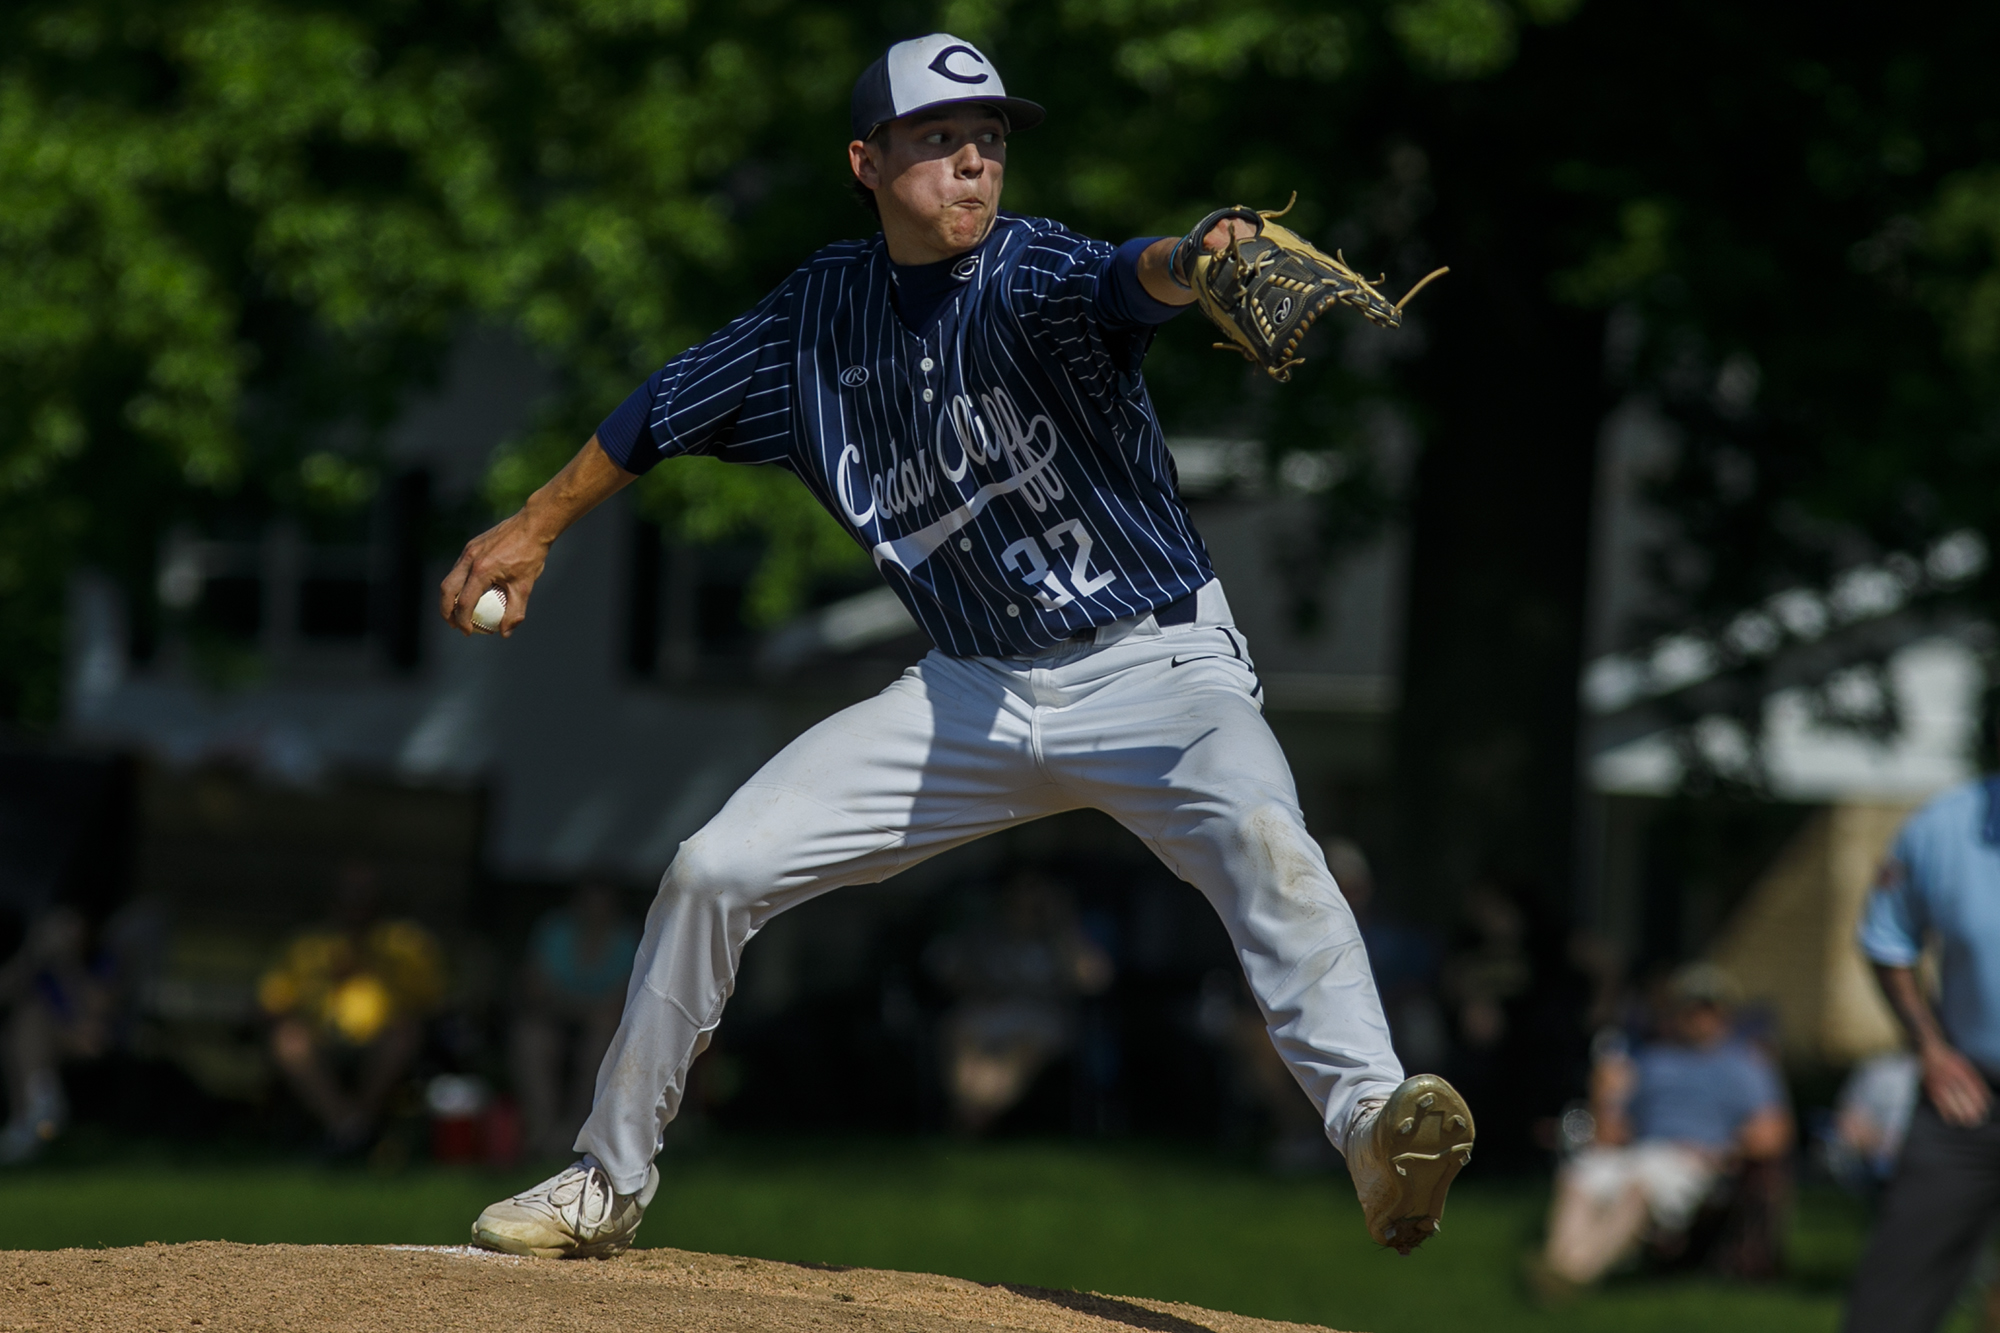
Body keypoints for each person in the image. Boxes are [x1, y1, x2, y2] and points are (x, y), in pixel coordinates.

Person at [447, 32, 1474, 1259]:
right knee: (715, 868)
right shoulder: (815, 324)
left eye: (987, 140)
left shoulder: (1031, 271)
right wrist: (532, 525)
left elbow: (1128, 277)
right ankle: (604, 1179)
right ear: (865, 161)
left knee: (1272, 852)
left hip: (1157, 672)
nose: (973, 164)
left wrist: (1200, 254)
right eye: (936, 141)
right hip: (969, 691)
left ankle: (1375, 1129)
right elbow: (656, 411)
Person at [1844, 776, 2000, 1333]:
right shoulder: (1942, 828)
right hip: (1968, 1096)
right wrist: (1929, 1047)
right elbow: (1887, 938)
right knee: (1887, 1306)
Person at [1535, 963, 1791, 1289]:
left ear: (1724, 1014)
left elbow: (1772, 1135)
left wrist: (1726, 1151)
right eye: (1690, 1007)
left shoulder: (1746, 1066)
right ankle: (1557, 1264)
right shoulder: (1650, 1060)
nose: (1698, 1017)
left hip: (1695, 1159)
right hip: (1641, 1150)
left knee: (1639, 1189)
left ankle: (1573, 1275)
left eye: (1707, 1008)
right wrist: (1603, 1097)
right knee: (1578, 1178)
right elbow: (1612, 1128)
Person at [258, 862, 445, 1152]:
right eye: (348, 899)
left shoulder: (405, 944)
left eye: (364, 899)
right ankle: (350, 1128)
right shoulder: (307, 945)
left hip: (383, 1040)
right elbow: (272, 1003)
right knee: (289, 1040)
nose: (356, 908)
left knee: (402, 1035)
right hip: (322, 1041)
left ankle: (350, 1130)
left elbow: (433, 1000)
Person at [924, 870, 1112, 1133]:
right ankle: (973, 1109)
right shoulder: (986, 932)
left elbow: (1094, 981)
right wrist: (980, 987)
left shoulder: (1061, 937)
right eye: (1020, 895)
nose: (1027, 903)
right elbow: (947, 971)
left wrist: (1062, 927)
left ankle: (973, 1117)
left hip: (1042, 1017)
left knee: (1019, 1051)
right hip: (986, 1010)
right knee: (963, 1039)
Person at [512, 884, 639, 1157]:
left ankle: (576, 1128)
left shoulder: (625, 940)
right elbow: (535, 987)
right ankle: (542, 1127)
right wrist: (580, 1008)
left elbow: (623, 998)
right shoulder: (554, 932)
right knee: (531, 1040)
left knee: (601, 1044)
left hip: (599, 1024)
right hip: (554, 1017)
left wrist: (573, 1005)